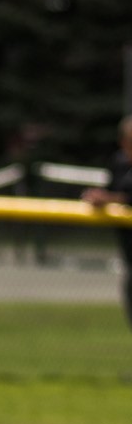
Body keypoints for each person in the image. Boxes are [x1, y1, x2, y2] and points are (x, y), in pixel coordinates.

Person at [81, 114, 132, 332]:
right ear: (123, 142)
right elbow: (114, 192)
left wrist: (109, 199)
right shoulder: (119, 163)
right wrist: (99, 196)